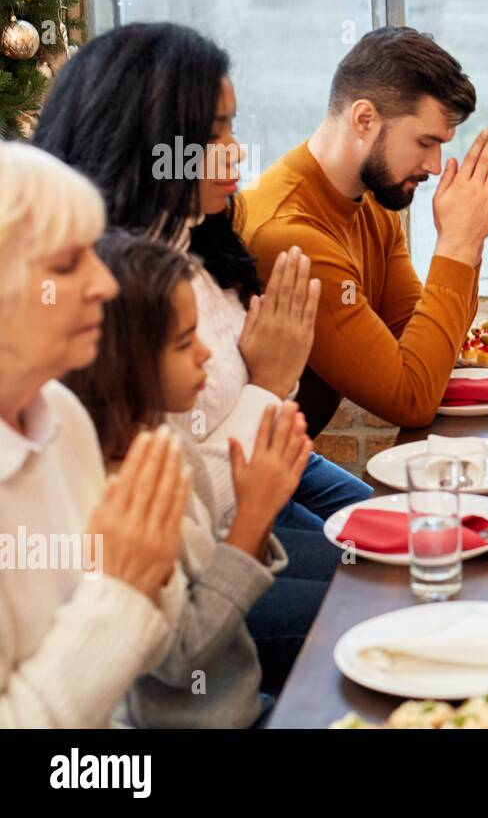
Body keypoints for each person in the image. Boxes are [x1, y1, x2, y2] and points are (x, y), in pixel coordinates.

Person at [31, 21, 372, 529]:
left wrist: (273, 379)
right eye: (213, 134)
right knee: (366, 582)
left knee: (413, 527)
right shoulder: (107, 289)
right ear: (146, 139)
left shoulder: (199, 242)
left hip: (268, 468)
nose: (235, 151)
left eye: (232, 127)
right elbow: (183, 516)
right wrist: (270, 382)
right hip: (214, 519)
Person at [62, 232, 312, 727]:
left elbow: (204, 565)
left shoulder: (168, 443)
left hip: (244, 706)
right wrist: (254, 518)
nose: (205, 354)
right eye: (183, 343)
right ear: (124, 365)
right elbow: (179, 657)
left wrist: (254, 514)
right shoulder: (112, 494)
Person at [240, 26, 488, 436]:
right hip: (249, 474)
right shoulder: (290, 235)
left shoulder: (372, 204)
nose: (436, 165)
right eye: (425, 142)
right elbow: (411, 399)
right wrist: (458, 244)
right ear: (364, 119)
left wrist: (469, 244)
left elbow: (430, 354)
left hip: (294, 455)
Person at [0, 142, 190, 727]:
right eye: (65, 266)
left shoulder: (60, 413)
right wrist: (122, 591)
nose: (104, 284)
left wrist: (151, 569)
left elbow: (144, 650)